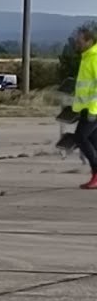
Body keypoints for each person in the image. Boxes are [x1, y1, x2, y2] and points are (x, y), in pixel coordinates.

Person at [62, 25, 97, 189]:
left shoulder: (95, 58)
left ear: (90, 41)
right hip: (86, 108)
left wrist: (92, 110)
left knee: (81, 137)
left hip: (93, 110)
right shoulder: (86, 57)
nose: (77, 43)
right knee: (93, 139)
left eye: (80, 41)